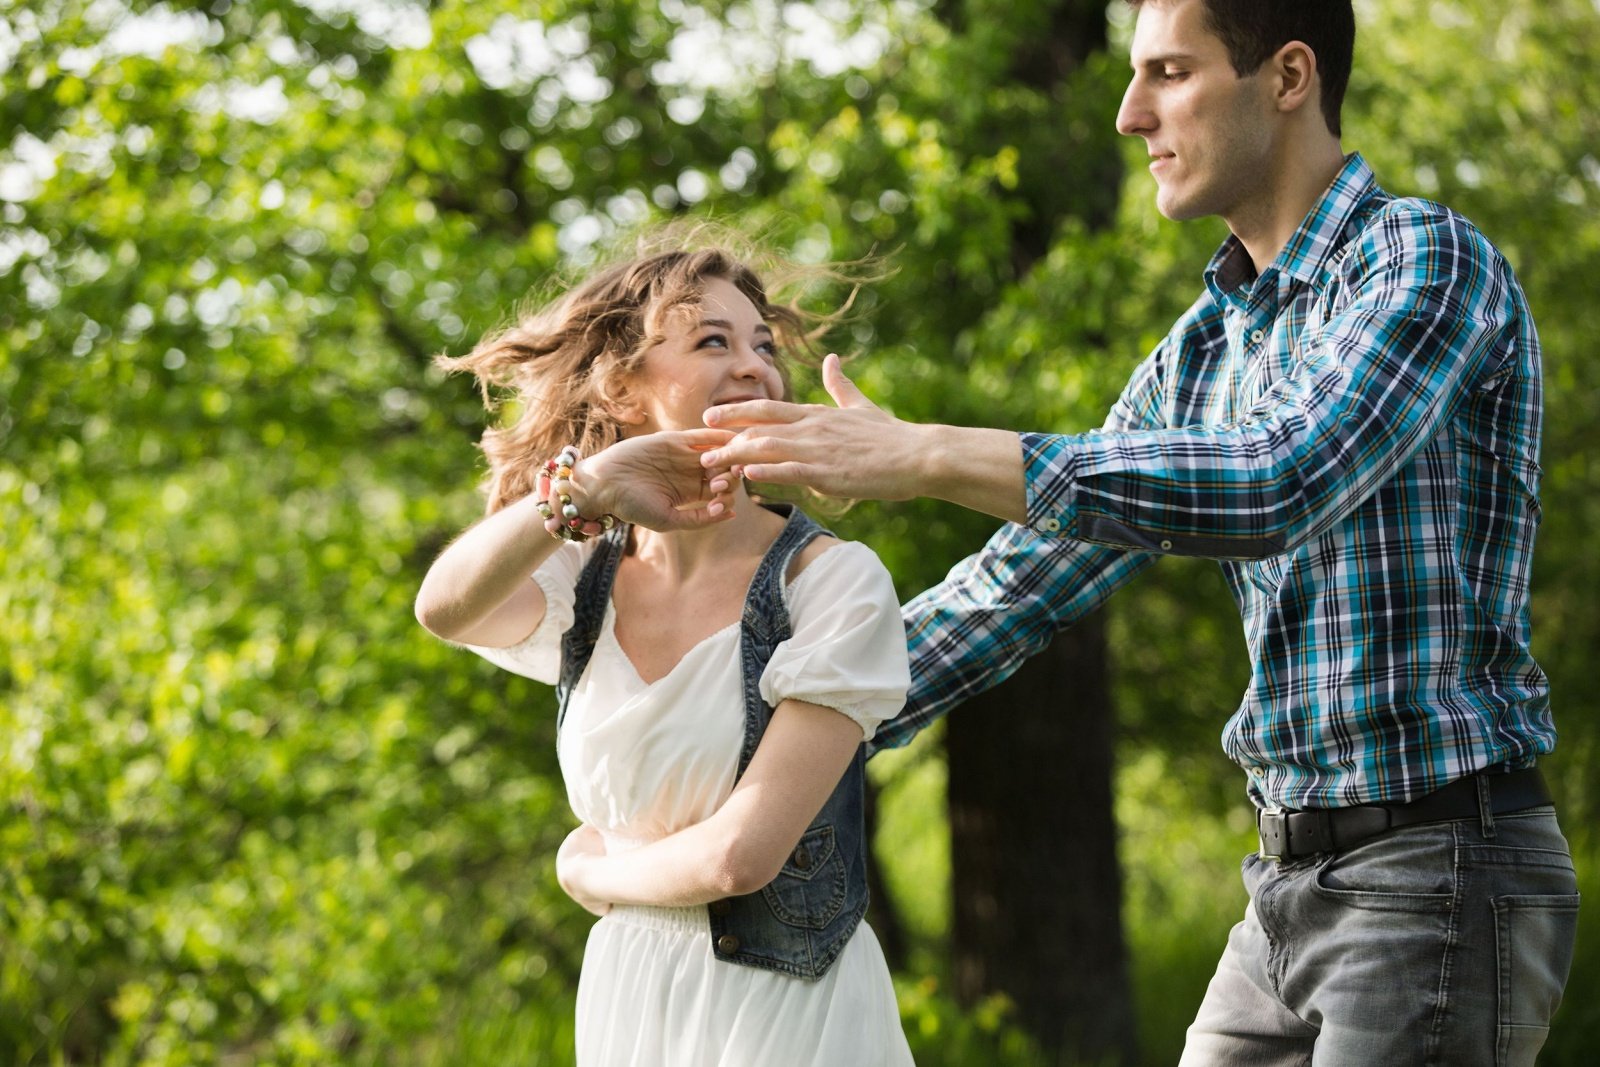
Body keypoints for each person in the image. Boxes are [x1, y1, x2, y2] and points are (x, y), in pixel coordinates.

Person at [696, 1, 1579, 1064]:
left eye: (1167, 72)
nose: (1127, 113)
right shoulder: (1202, 352)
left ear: (1288, 76)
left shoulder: (1427, 264)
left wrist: (925, 454)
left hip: (1438, 865)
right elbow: (1016, 586)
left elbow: (1280, 480)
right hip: (1284, 889)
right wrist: (735, 721)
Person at [414, 243, 915, 1066]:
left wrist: (592, 875)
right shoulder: (584, 577)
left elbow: (740, 855)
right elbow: (444, 606)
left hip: (786, 1012)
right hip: (628, 998)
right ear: (623, 386)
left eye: (763, 345)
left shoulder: (832, 583)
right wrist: (589, 486)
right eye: (713, 342)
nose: (755, 366)